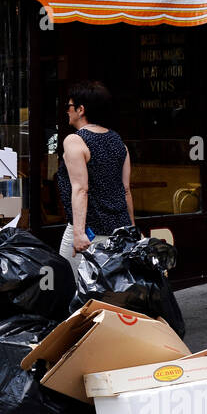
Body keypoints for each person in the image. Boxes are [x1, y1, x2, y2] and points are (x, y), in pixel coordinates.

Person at [56, 80, 135, 274]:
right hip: (119, 231)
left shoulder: (75, 140)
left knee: (73, 290)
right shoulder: (119, 142)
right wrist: (132, 230)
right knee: (109, 291)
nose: (67, 111)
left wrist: (79, 233)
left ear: (81, 109)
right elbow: (126, 190)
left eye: (69, 106)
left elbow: (81, 188)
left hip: (89, 232)